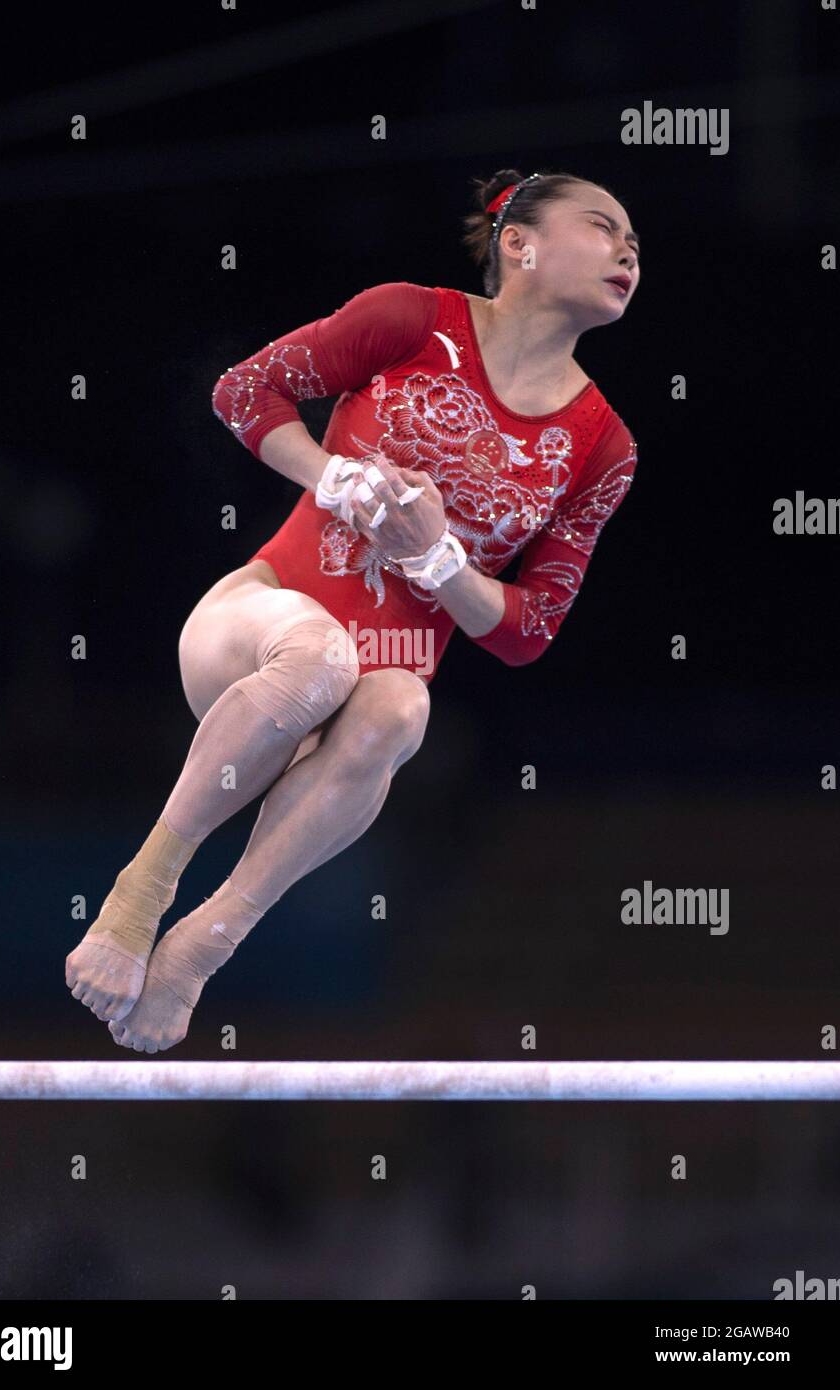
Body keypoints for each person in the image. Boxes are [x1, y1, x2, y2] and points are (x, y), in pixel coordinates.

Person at [65, 166, 641, 1053]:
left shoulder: (602, 446)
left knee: (405, 704)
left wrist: (436, 557)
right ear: (519, 244)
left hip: (354, 730)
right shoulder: (411, 319)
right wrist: (337, 477)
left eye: (634, 241)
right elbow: (242, 391)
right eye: (603, 226)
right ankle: (139, 893)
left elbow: (528, 631)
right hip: (257, 632)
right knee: (323, 654)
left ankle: (206, 941)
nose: (627, 249)